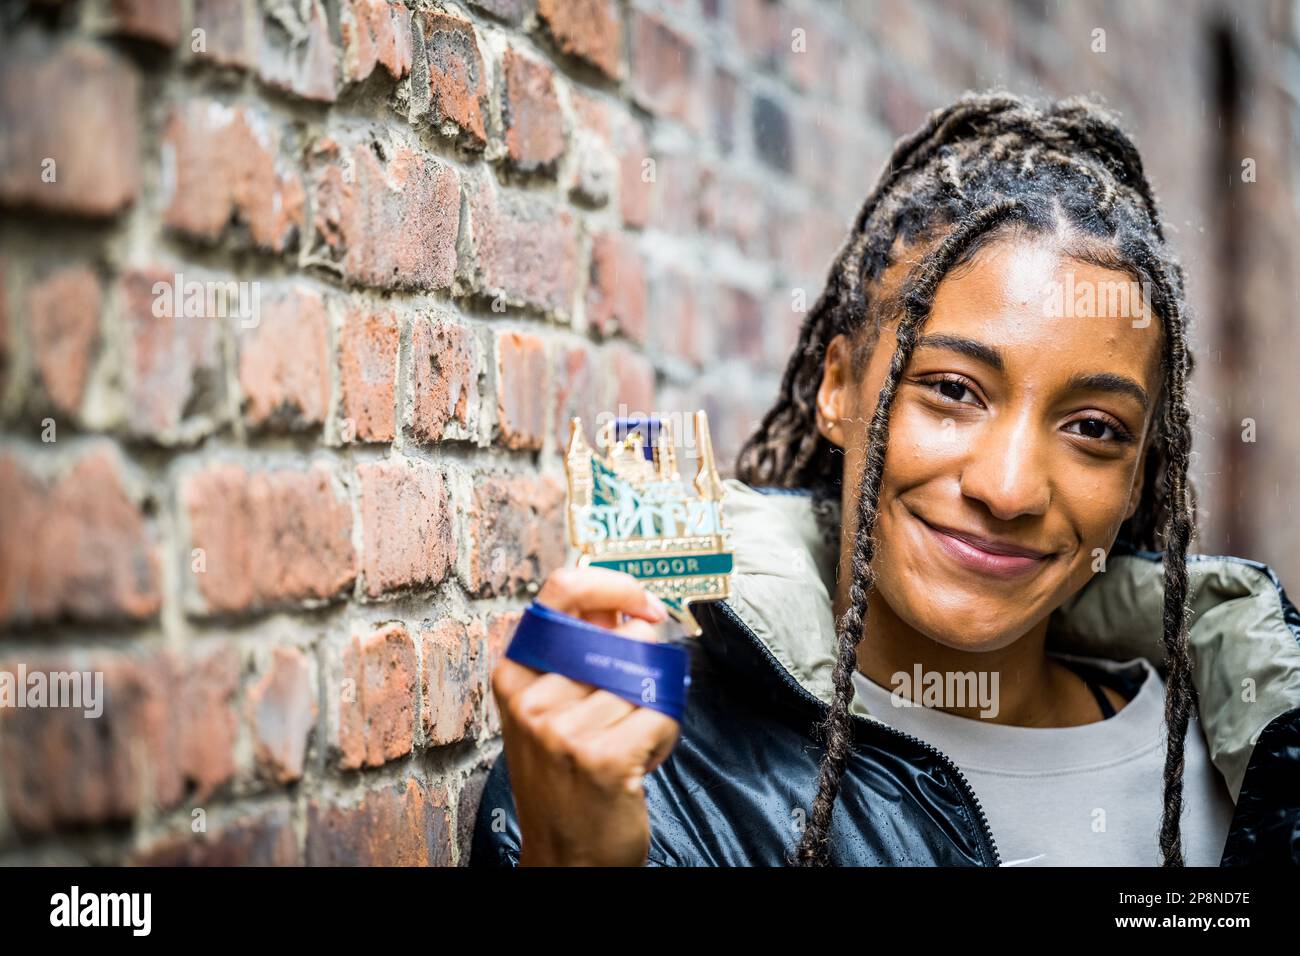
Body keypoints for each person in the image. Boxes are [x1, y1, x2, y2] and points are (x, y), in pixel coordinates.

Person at [471, 90, 1300, 867]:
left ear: (1138, 477)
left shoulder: (1257, 766)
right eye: (951, 391)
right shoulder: (643, 775)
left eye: (1093, 429)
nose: (1009, 489)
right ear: (838, 388)